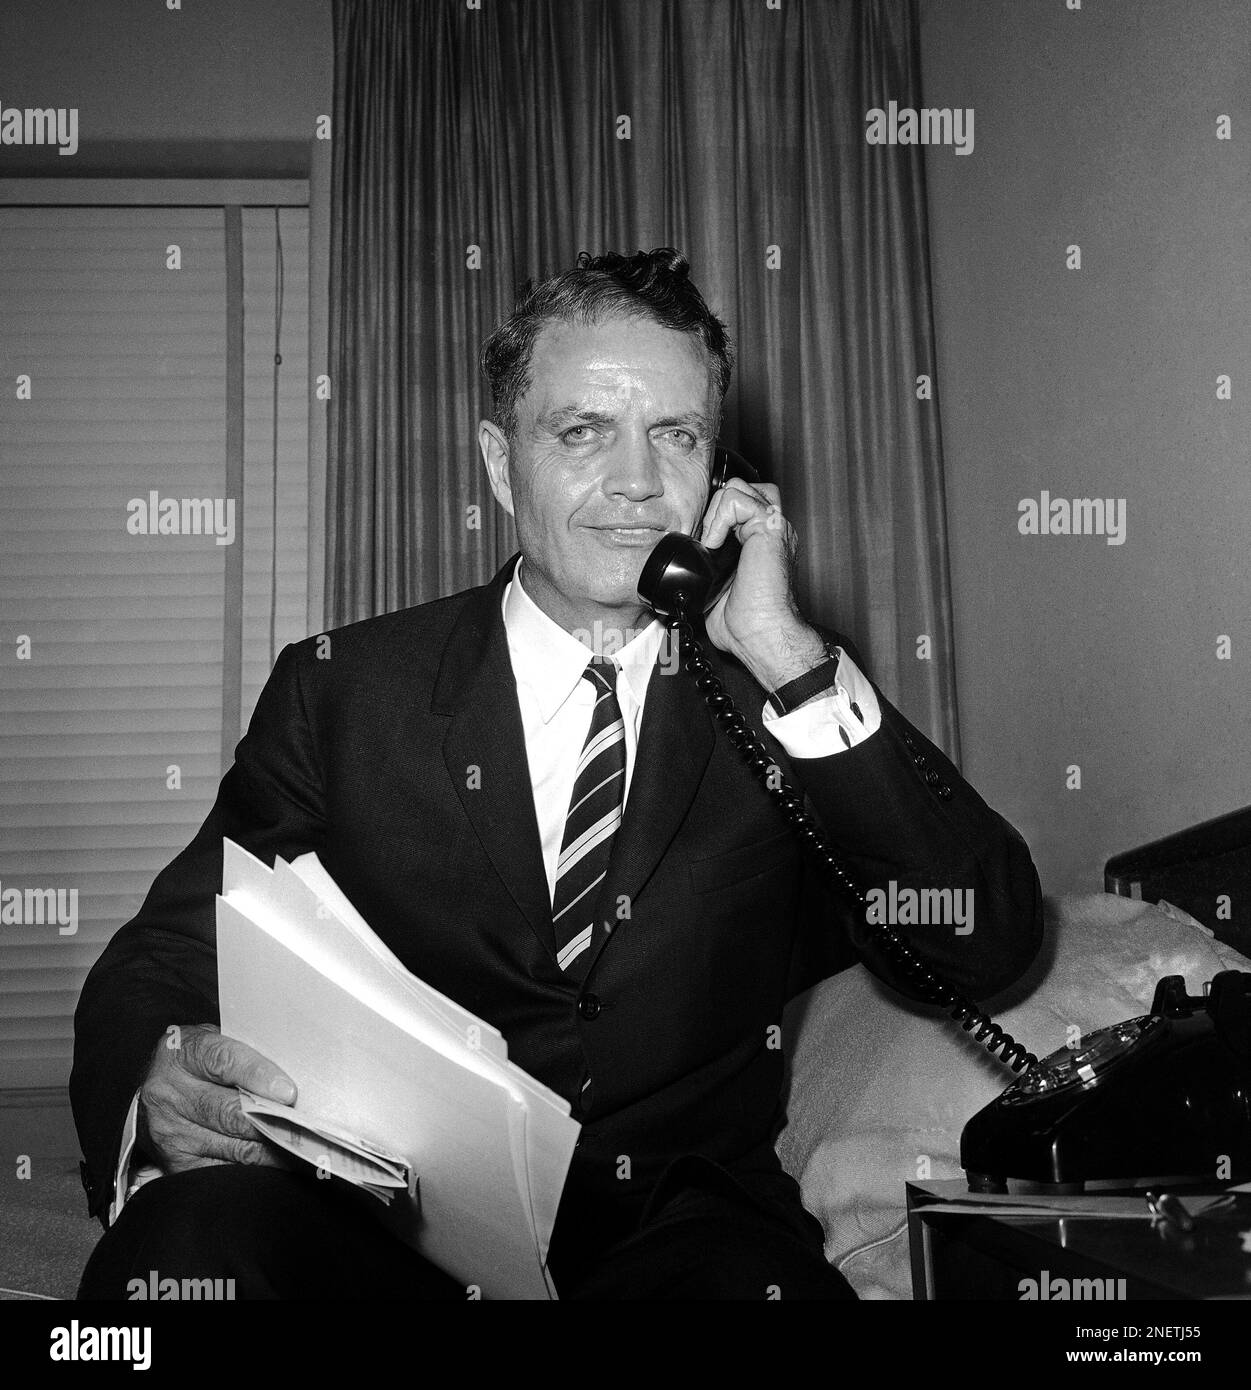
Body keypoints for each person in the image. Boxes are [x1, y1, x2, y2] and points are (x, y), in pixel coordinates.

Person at [72, 247, 1042, 1300]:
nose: (637, 480)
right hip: (382, 1222)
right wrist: (156, 1074)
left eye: (675, 435)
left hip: (683, 1239)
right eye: (583, 432)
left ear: (719, 469)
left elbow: (980, 940)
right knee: (182, 1256)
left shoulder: (778, 694)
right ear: (500, 463)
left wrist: (786, 657)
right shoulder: (342, 691)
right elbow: (170, 950)